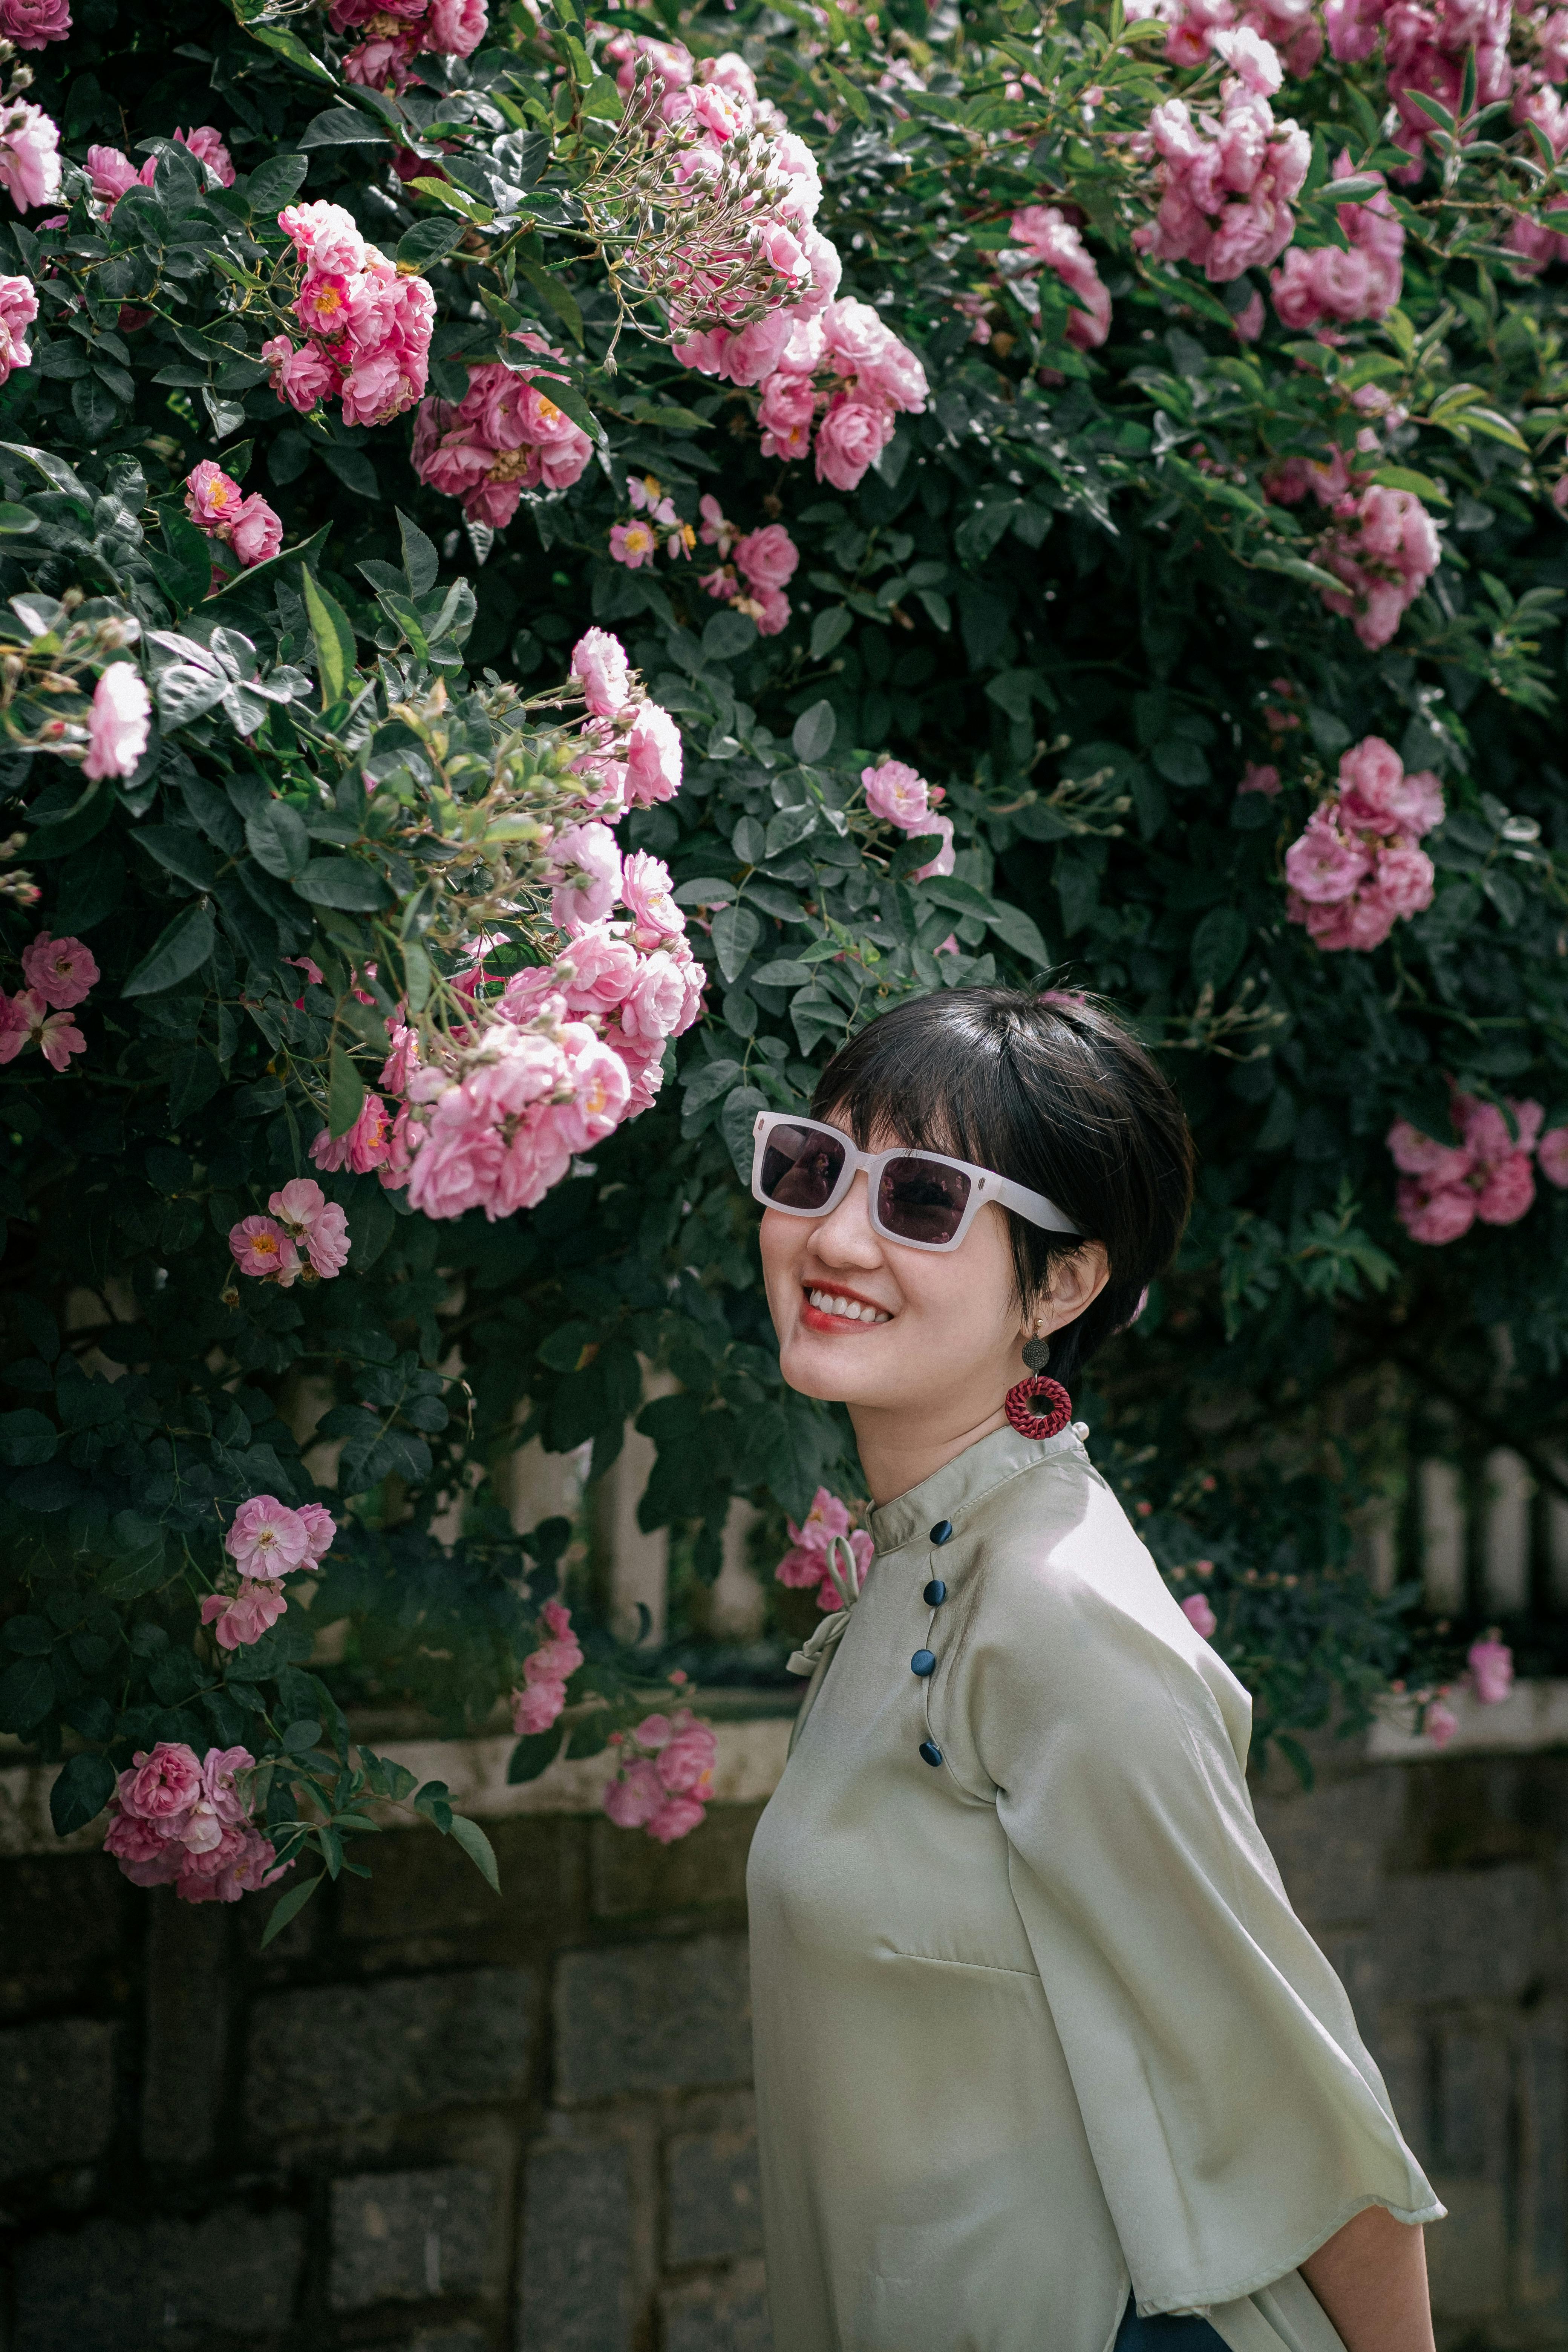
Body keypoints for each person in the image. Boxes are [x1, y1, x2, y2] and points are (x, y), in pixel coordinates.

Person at [744, 987, 1440, 2352]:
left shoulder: (1053, 1611)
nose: (833, 1236)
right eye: (817, 1168)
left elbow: (1289, 2084)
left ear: (1060, 1284)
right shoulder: (926, 1559)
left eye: (926, 1200)